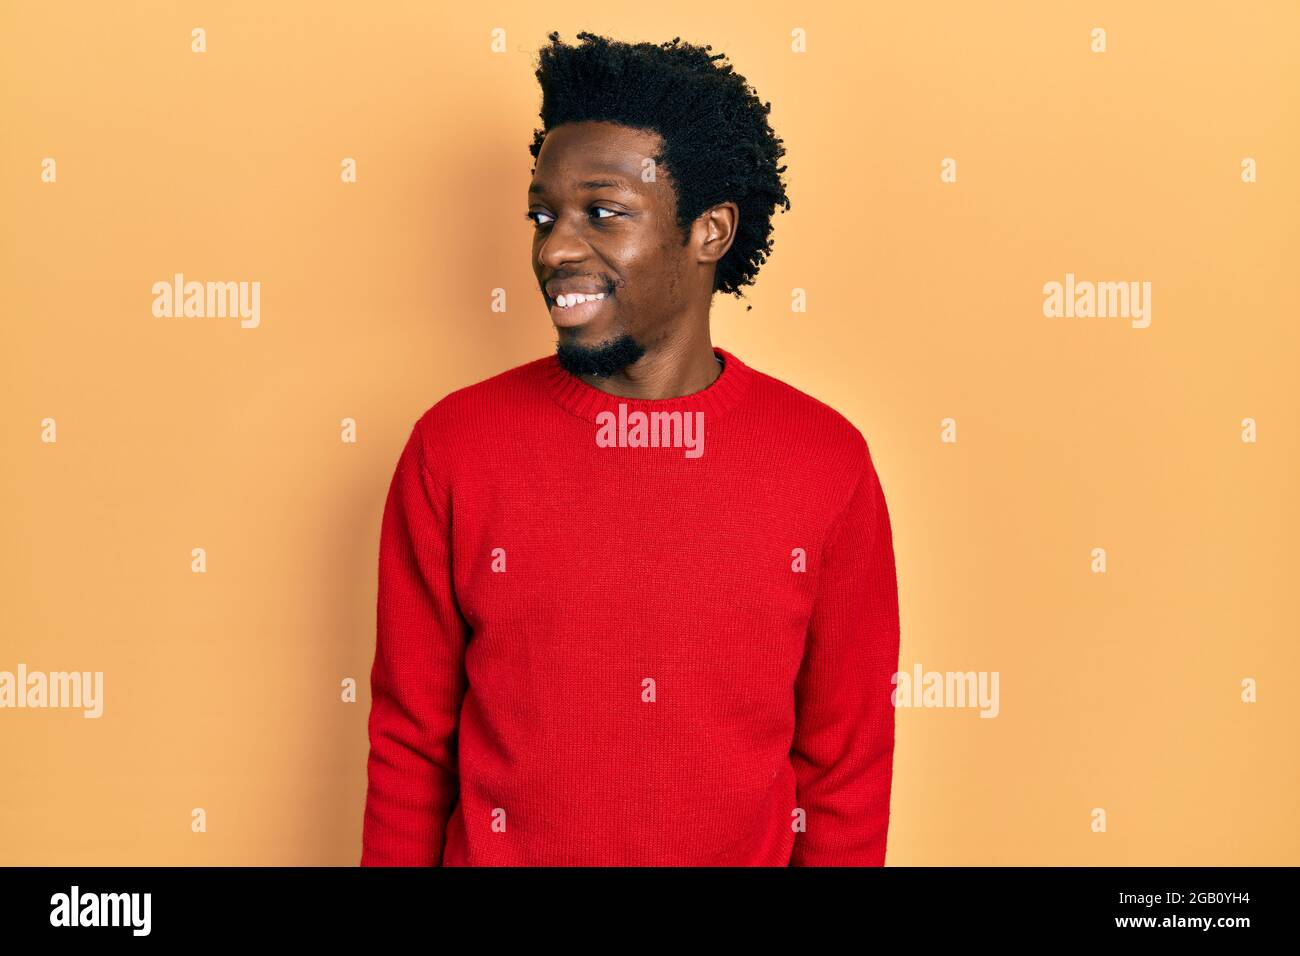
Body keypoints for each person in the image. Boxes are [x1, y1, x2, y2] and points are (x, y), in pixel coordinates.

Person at [360, 30, 900, 866]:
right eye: (543, 216)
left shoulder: (824, 464)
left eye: (602, 213)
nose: (554, 249)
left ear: (709, 231)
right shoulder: (455, 450)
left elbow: (845, 775)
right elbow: (409, 750)